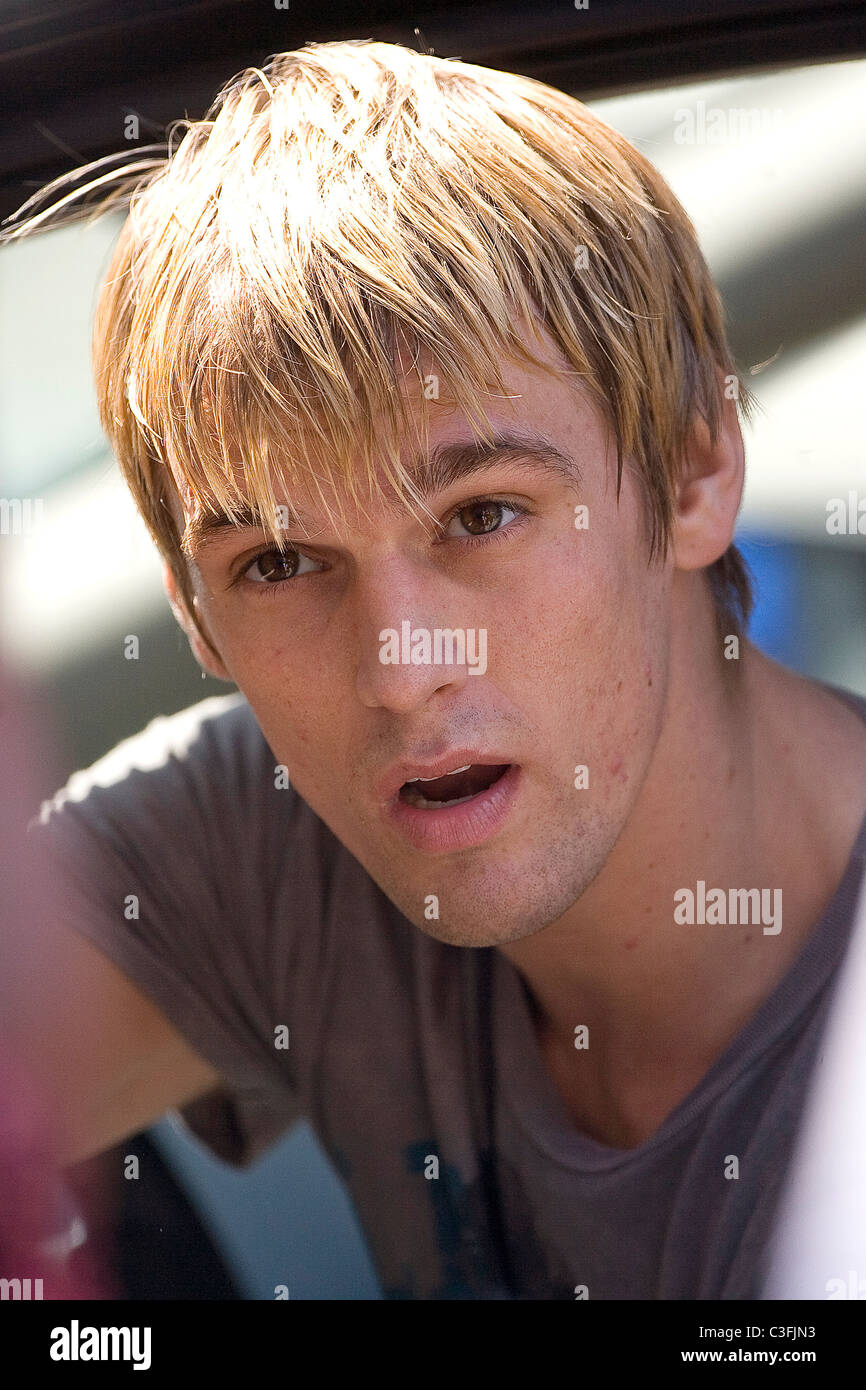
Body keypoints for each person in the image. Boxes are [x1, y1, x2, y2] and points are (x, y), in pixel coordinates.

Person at [5, 39, 866, 1299]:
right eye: (281, 562)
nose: (399, 673)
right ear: (193, 608)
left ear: (689, 476)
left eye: (479, 516)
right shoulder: (274, 838)